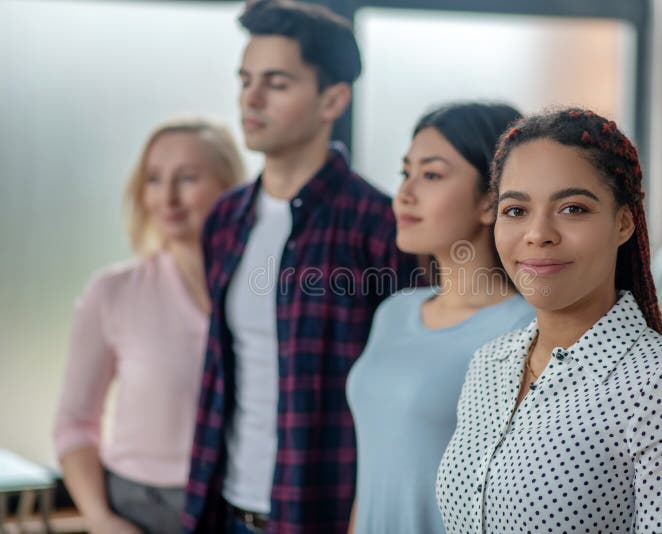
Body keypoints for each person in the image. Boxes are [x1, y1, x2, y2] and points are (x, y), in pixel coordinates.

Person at [436, 108, 662, 533]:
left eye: (573, 208)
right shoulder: (489, 365)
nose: (538, 233)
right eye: (516, 210)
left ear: (624, 223)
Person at [182, 2, 418, 533]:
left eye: (277, 83)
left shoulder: (379, 226)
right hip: (222, 504)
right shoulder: (225, 218)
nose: (252, 98)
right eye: (245, 80)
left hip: (325, 510)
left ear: (333, 99)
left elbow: (405, 394)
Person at [345, 102, 535, 534]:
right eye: (405, 173)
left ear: (491, 201)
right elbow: (375, 473)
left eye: (431, 175)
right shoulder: (395, 312)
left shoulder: (524, 330)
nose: (405, 194)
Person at [53, 116, 244, 534]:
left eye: (187, 178)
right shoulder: (114, 292)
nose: (167, 198)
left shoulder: (262, 296)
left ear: (231, 188)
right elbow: (73, 425)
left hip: (238, 508)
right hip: (138, 511)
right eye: (154, 179)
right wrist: (101, 520)